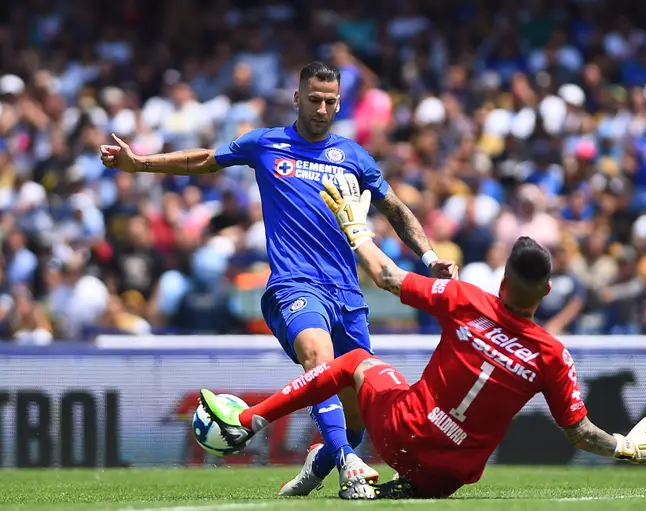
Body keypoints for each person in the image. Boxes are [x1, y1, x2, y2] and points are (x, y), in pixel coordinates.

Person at [199, 176, 646, 500]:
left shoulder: (466, 299)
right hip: (447, 476)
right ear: (547, 292)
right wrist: (623, 446)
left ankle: (248, 421)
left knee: (355, 361)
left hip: (400, 435)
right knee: (436, 451)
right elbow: (578, 431)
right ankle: (373, 478)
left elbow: (387, 277)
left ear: (503, 282)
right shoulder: (553, 356)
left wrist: (356, 231)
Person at [100, 61, 458, 495]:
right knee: (318, 358)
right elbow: (205, 160)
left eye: (330, 101)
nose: (322, 109)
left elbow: (396, 209)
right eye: (314, 100)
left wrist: (429, 257)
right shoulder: (266, 143)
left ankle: (322, 462)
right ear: (297, 98)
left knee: (358, 417)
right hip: (294, 284)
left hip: (347, 293)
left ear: (339, 103)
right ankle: (348, 466)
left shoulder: (353, 156)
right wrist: (140, 163)